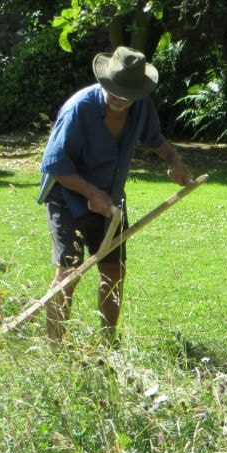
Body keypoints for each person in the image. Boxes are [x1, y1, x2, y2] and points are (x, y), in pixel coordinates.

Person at [38, 45, 193, 343]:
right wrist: (91, 193)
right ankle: (55, 350)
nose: (119, 97)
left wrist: (174, 161)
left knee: (113, 271)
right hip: (68, 197)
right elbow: (55, 164)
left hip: (110, 201)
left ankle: (107, 344)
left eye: (126, 93)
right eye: (114, 89)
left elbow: (154, 138)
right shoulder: (79, 109)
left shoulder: (141, 105)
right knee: (68, 274)